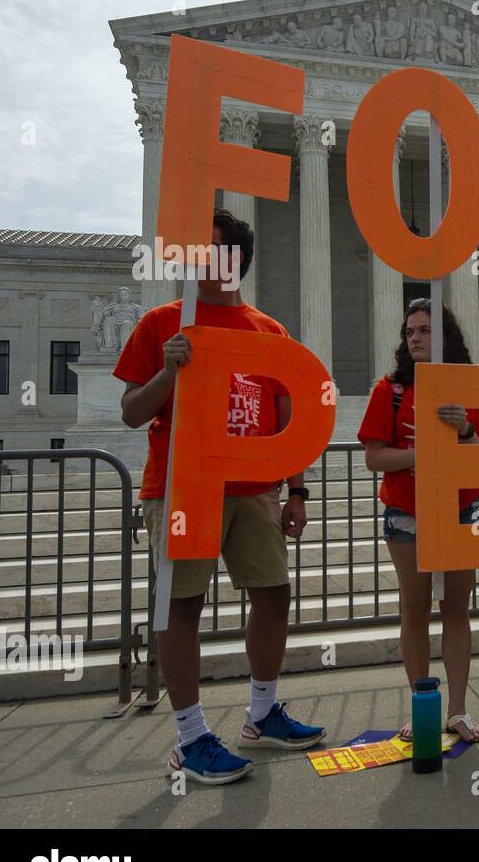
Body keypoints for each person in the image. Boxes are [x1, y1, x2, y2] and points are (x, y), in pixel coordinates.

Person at [114, 208, 324, 786]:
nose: (195, 256)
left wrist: (298, 491)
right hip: (184, 486)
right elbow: (132, 413)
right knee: (181, 607)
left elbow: (288, 417)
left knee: (274, 596)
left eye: (208, 246)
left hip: (255, 488)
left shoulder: (268, 331)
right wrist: (168, 372)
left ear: (235, 258)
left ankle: (261, 714)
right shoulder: (162, 323)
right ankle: (189, 738)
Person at [359, 299, 479, 744]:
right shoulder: (391, 389)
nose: (414, 338)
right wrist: (425, 454)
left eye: (424, 330)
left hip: (460, 511)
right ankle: (422, 708)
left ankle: (457, 710)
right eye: (410, 331)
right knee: (414, 611)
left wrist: (465, 431)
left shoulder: (471, 389)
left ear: (446, 337)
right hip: (407, 514)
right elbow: (375, 457)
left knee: (456, 609)